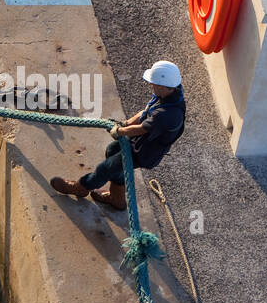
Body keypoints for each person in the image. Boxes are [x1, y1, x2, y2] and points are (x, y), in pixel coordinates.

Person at [50, 60, 186, 211]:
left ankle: (80, 188)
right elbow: (145, 113)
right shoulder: (170, 94)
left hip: (144, 152)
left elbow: (142, 128)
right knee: (111, 150)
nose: (150, 85)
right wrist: (125, 124)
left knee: (105, 169)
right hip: (139, 141)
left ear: (161, 86)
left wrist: (119, 131)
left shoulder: (169, 114)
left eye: (152, 83)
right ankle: (117, 198)